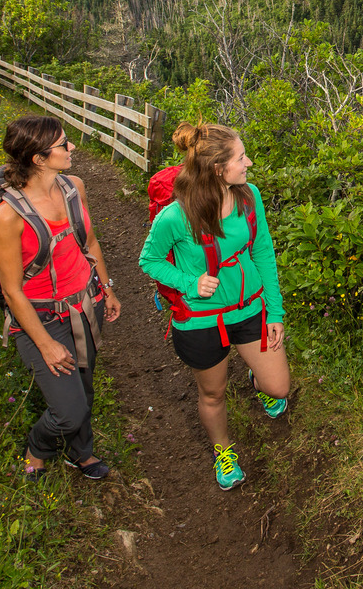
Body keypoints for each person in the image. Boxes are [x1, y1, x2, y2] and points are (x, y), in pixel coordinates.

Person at [139, 121, 289, 490]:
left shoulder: (249, 196)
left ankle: (259, 377)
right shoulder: (175, 216)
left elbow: (263, 253)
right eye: (241, 157)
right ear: (218, 169)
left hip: (250, 308)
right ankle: (223, 451)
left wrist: (275, 311)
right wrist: (189, 282)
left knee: (279, 388)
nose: (249, 163)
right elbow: (150, 259)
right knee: (213, 392)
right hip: (199, 321)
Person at [0, 115, 122, 479]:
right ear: (38, 158)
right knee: (68, 409)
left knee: (84, 387)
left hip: (85, 303)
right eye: (64, 144)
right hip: (42, 317)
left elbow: (89, 241)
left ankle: (81, 453)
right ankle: (39, 446)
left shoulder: (73, 187)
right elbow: (11, 291)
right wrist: (45, 343)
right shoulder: (8, 215)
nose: (72, 148)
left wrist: (106, 290)